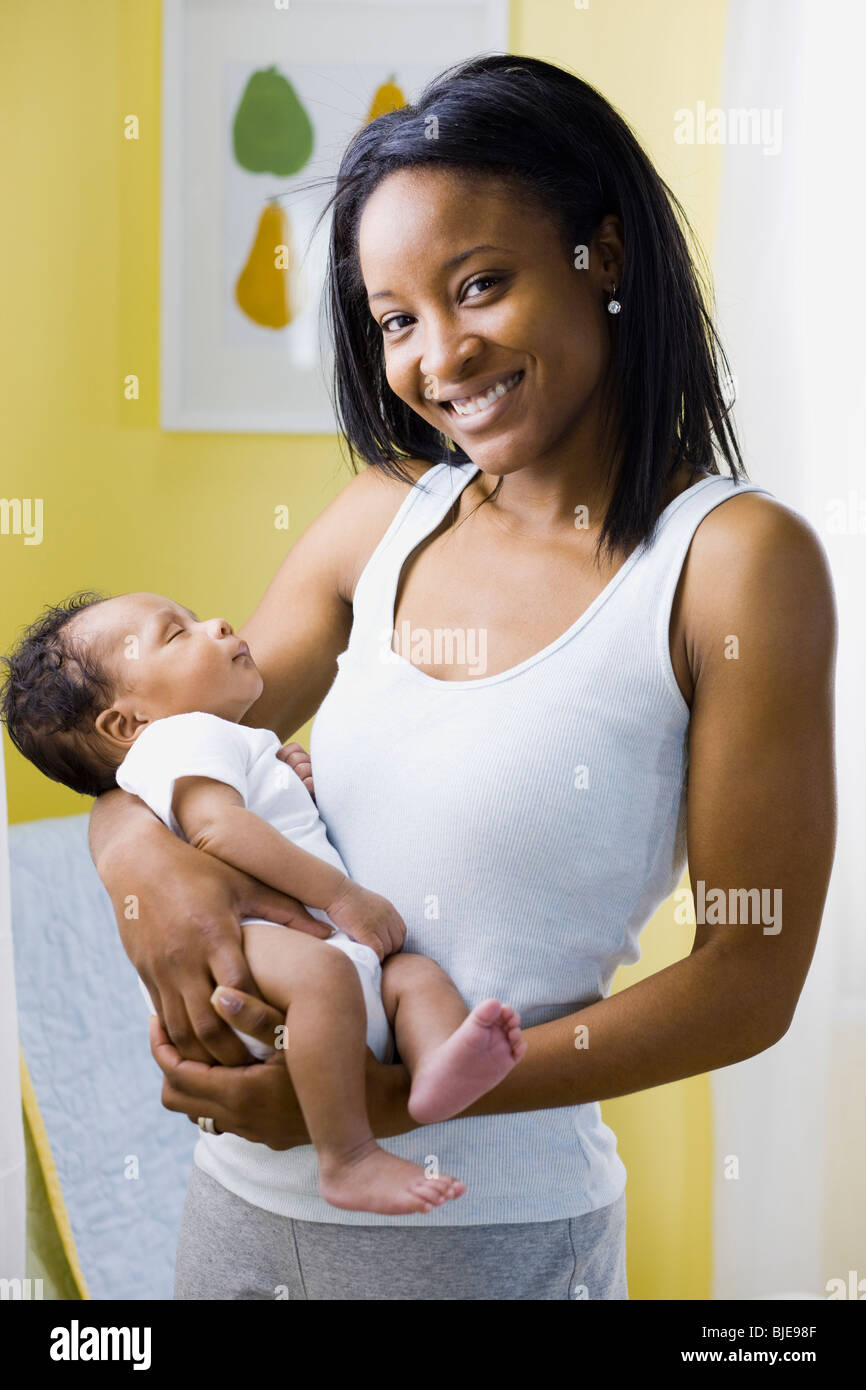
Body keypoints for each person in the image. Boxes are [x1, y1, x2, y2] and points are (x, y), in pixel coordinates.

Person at [86, 54, 836, 1300]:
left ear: (603, 256)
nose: (438, 355)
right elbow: (159, 749)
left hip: (481, 1235)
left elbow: (747, 983)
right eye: (393, 319)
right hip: (233, 1201)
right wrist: (139, 865)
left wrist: (374, 1100)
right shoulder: (376, 517)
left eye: (479, 283)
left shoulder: (731, 564)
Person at [0, 587, 529, 1214]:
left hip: (293, 955)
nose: (216, 623)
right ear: (129, 724)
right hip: (258, 952)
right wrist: (344, 896)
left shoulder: (215, 743)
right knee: (336, 976)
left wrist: (285, 779)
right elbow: (216, 830)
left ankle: (436, 1065)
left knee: (411, 974)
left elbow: (244, 816)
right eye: (177, 634)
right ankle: (349, 1158)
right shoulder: (181, 739)